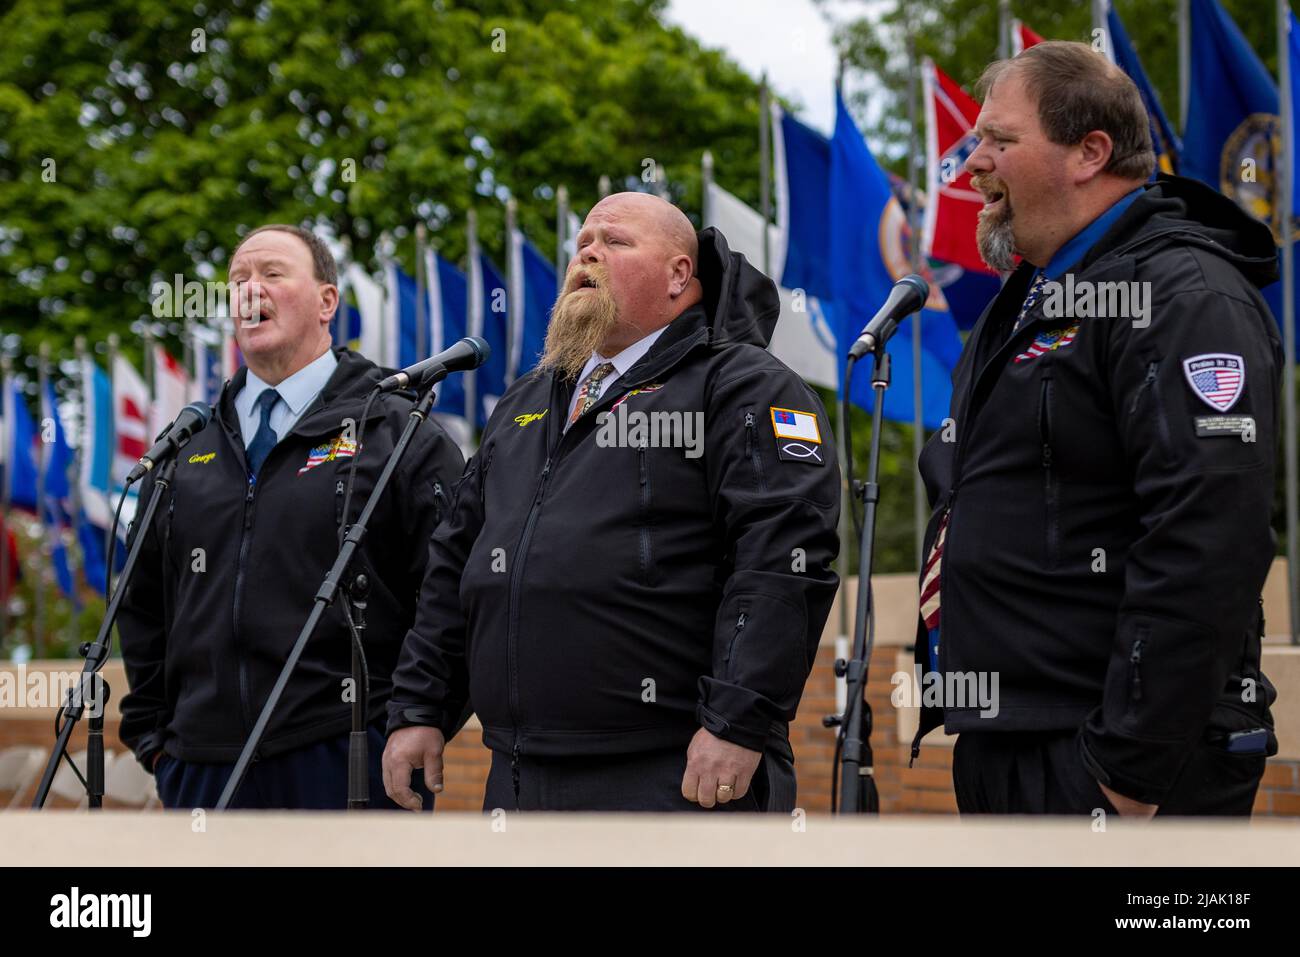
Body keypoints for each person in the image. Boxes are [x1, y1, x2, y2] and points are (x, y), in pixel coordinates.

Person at [911, 41, 1281, 817]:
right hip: (1012, 744)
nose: (971, 164)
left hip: (1119, 766)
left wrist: (1126, 769)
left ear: (1090, 153)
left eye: (999, 142)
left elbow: (1208, 533)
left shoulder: (1185, 292)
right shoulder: (1022, 303)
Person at [383, 192, 840, 812]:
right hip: (519, 773)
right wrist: (420, 706)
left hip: (672, 770)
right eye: (582, 244)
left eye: (615, 242)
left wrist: (737, 720)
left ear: (681, 275)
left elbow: (782, 559)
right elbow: (453, 566)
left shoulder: (742, 385)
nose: (588, 254)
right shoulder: (523, 403)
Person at [118, 224, 465, 809]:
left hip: (350, 762)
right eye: (238, 280)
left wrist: (416, 718)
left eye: (272, 274)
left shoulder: (398, 432)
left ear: (327, 301)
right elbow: (140, 599)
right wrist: (155, 739)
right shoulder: (185, 446)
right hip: (200, 772)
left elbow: (453, 591)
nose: (251, 290)